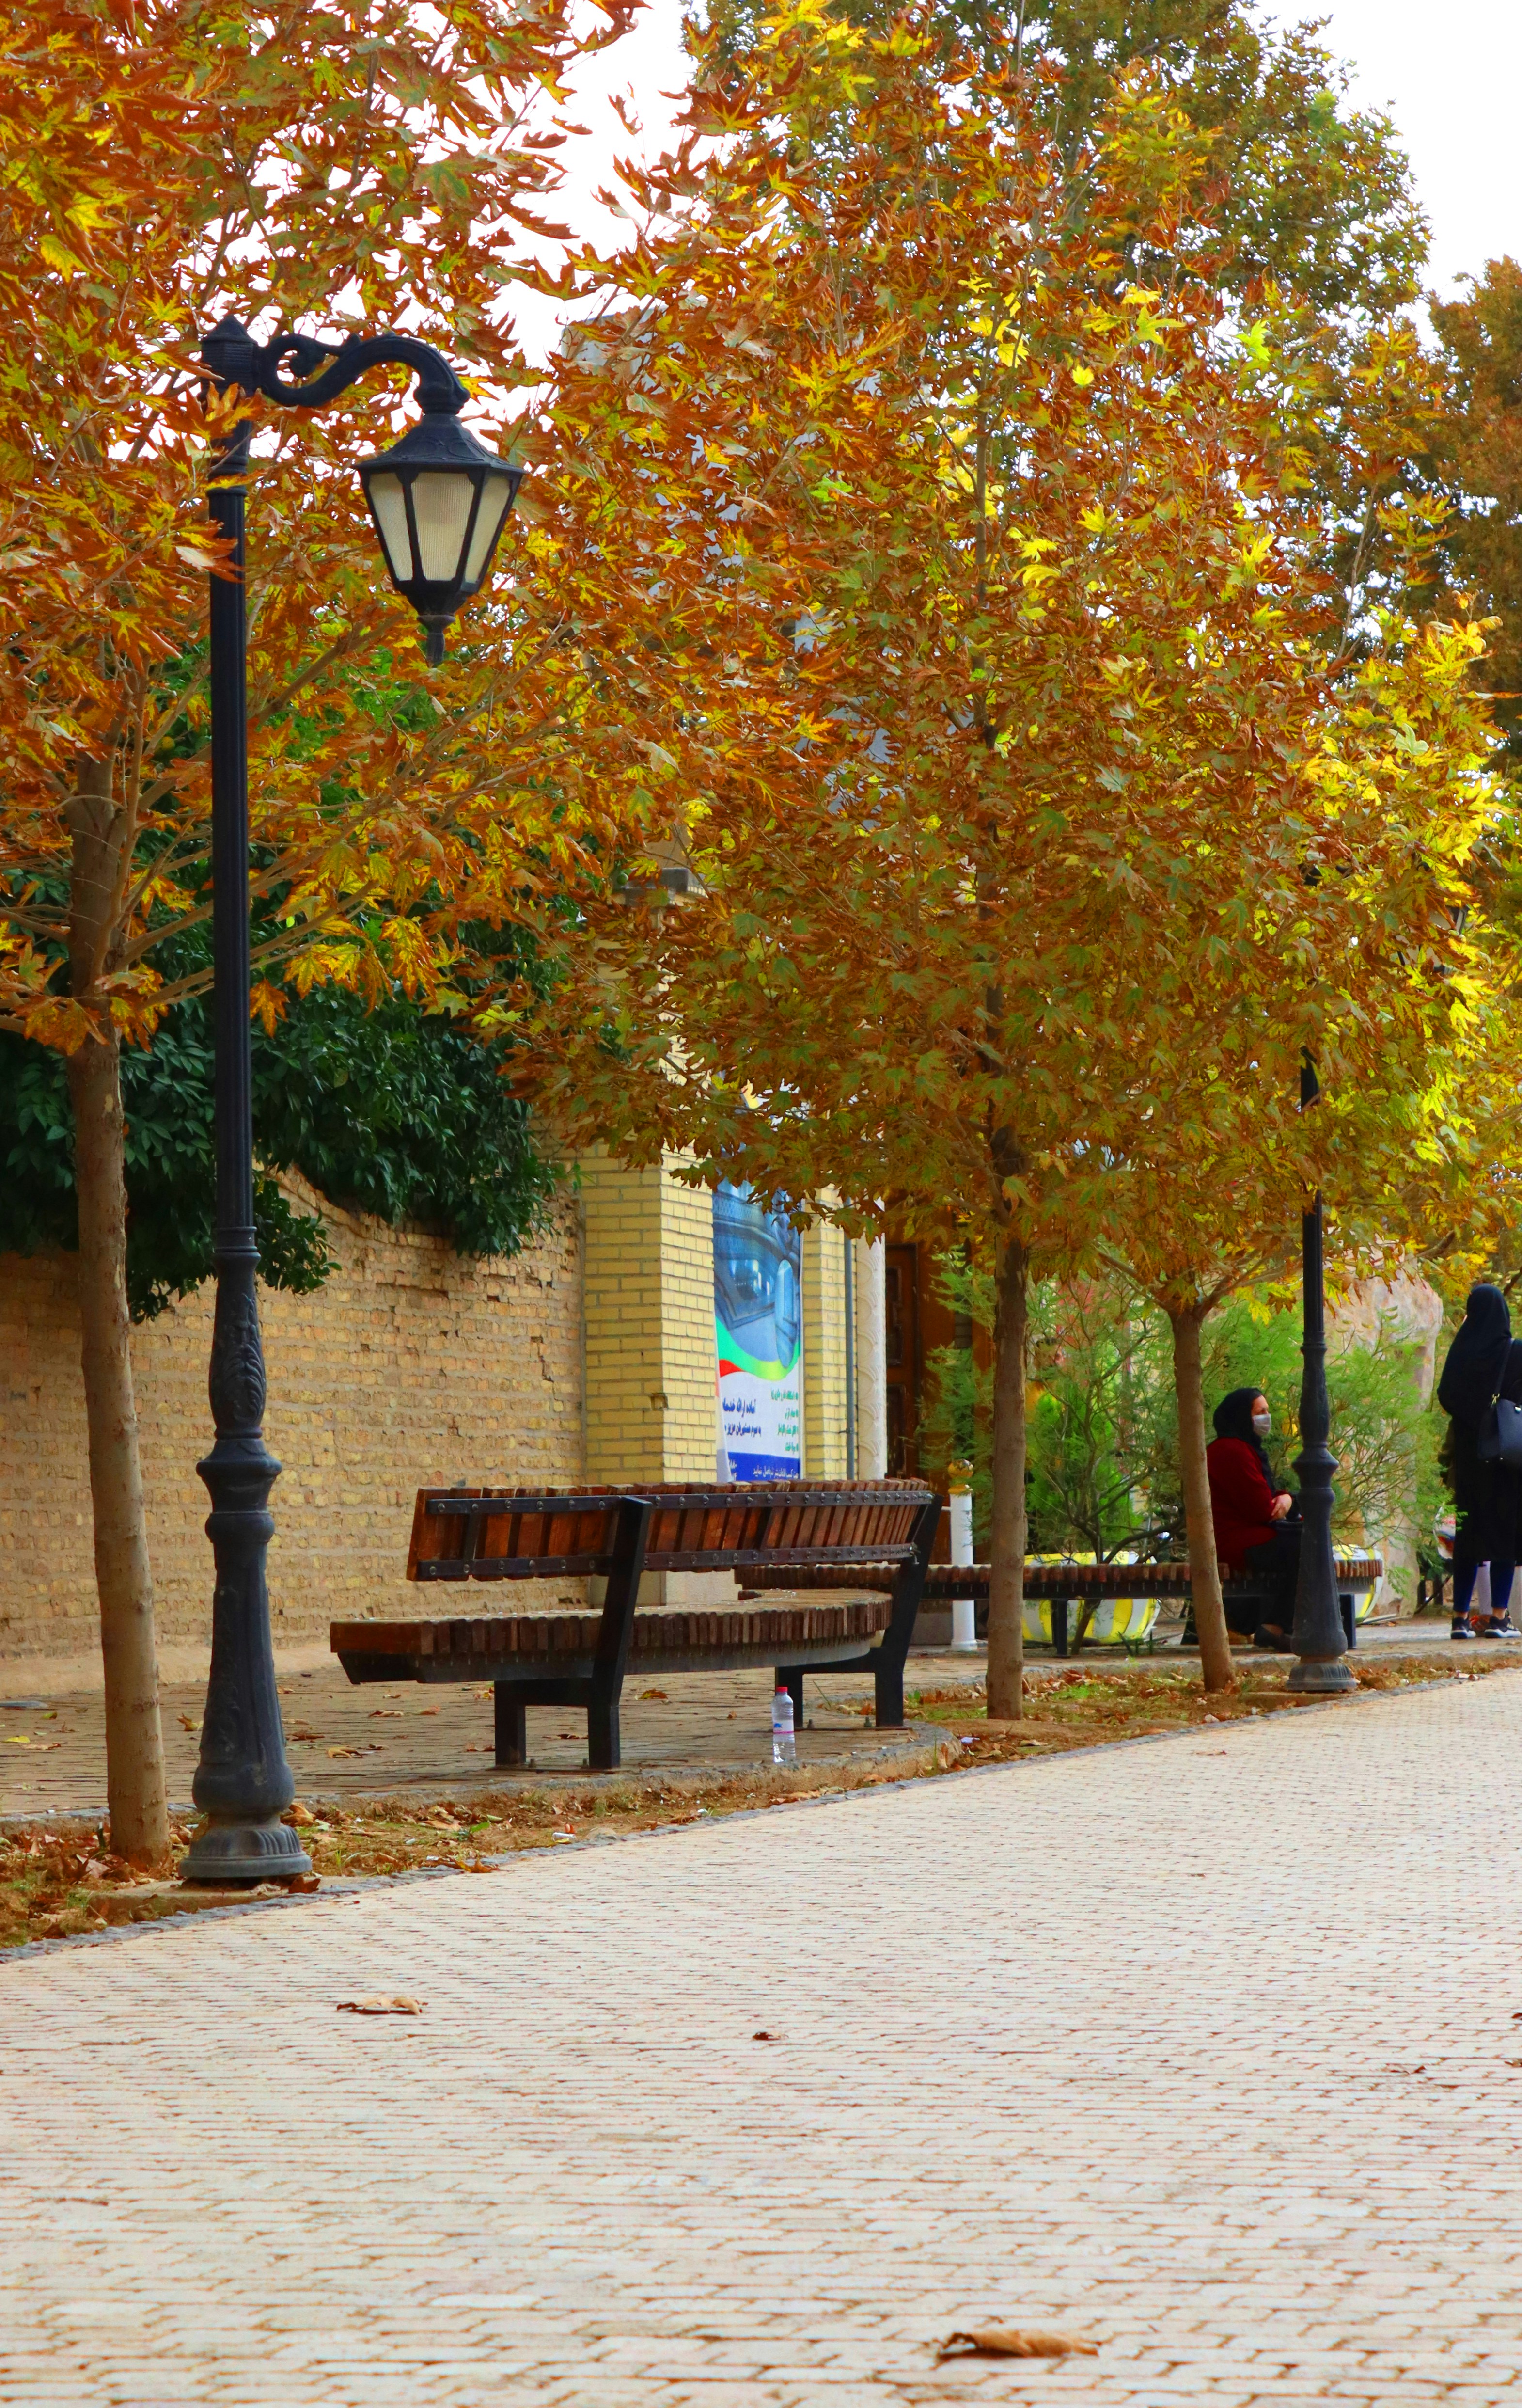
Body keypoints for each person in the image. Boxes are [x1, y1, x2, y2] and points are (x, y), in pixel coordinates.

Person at [1436, 1283, 1522, 1641]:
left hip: (1470, 1458)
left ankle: (1459, 1619)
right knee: (1505, 1534)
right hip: (1505, 1458)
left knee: (1468, 1536)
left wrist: (1471, 1419)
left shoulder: (1461, 1350)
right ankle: (1498, 1619)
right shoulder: (1515, 1351)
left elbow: (1445, 1394)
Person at [1206, 1387, 1299, 1648]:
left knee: (1306, 1539)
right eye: (1260, 1412)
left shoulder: (1241, 1448)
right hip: (1234, 1541)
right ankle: (1278, 1626)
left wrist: (1286, 1499)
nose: (1266, 1418)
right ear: (1241, 1416)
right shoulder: (1232, 1451)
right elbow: (1261, 1509)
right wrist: (1287, 1501)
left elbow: (1263, 1498)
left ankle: (1278, 1624)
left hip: (1246, 1536)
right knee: (1306, 1544)